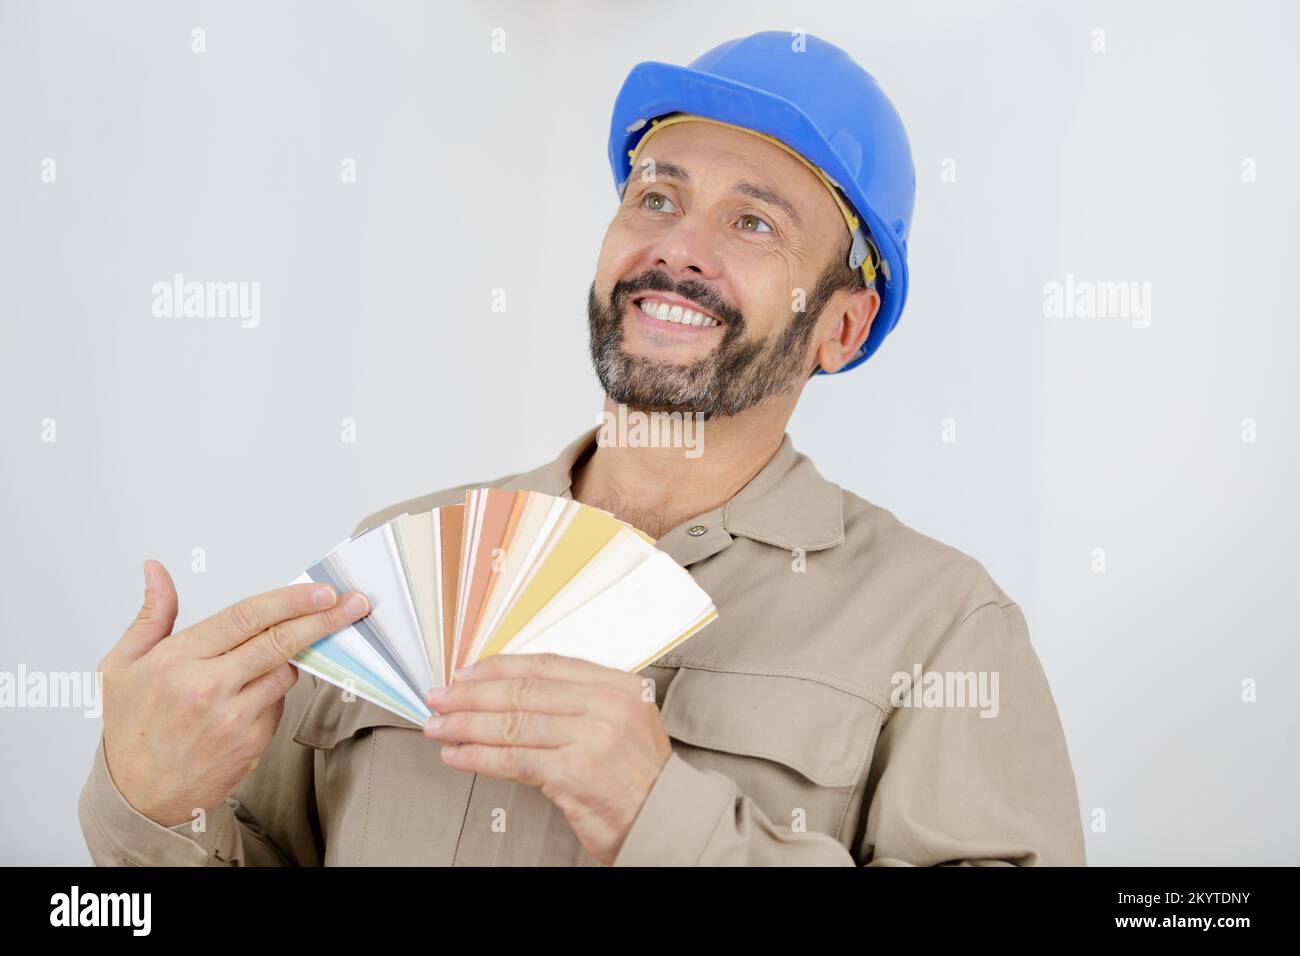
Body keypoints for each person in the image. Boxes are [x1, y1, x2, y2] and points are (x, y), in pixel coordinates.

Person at [80, 31, 1086, 866]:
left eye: (752, 221)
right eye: (656, 196)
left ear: (842, 327)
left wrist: (662, 813)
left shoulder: (945, 627)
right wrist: (151, 803)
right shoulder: (403, 554)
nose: (677, 246)